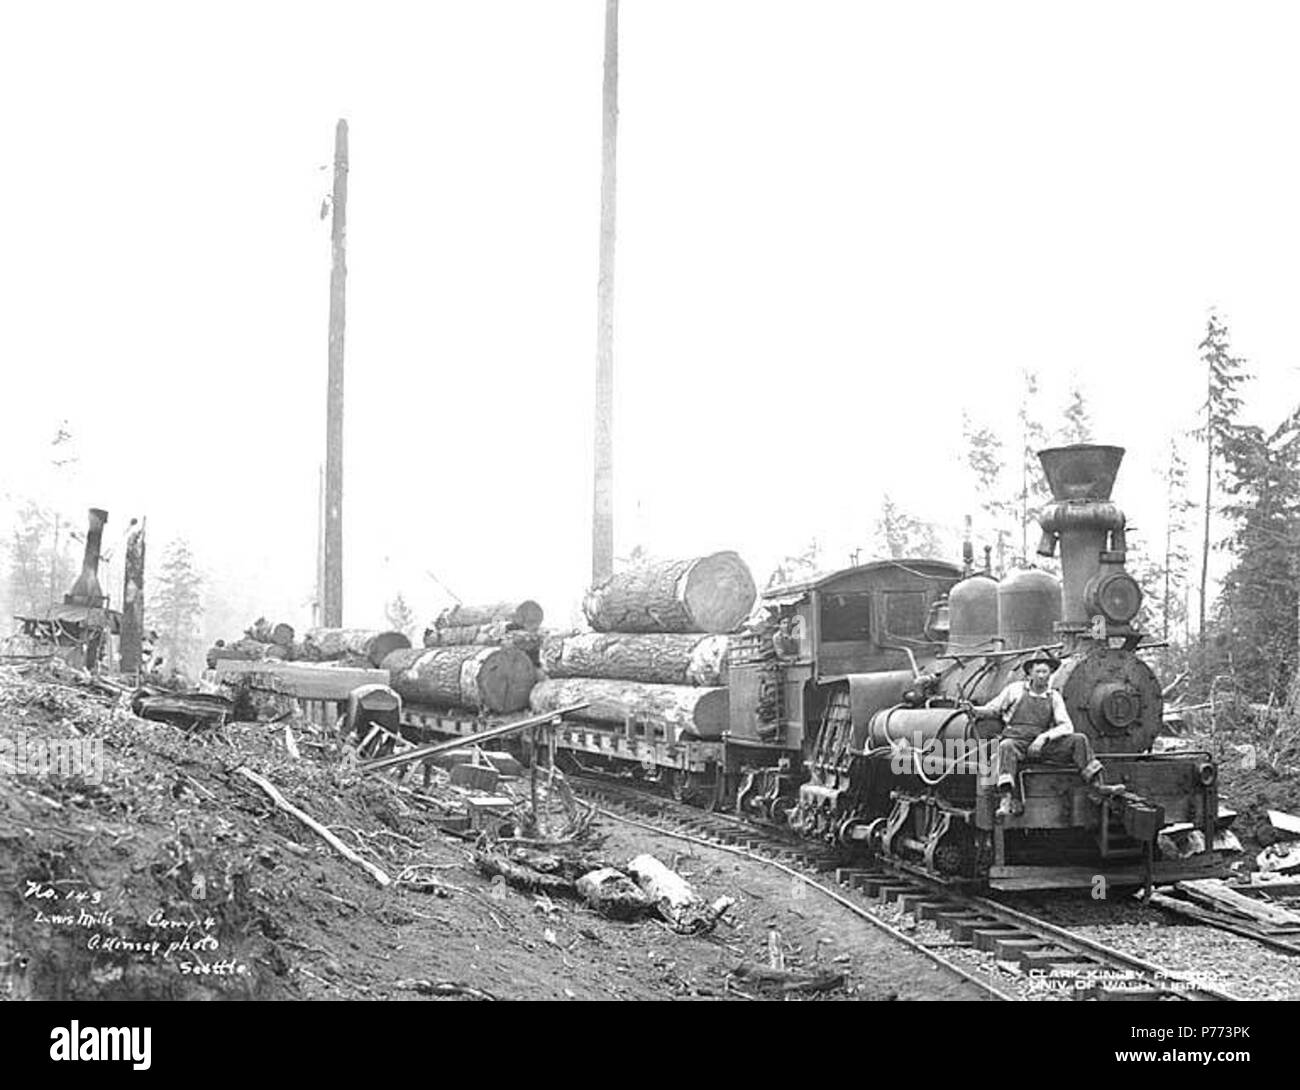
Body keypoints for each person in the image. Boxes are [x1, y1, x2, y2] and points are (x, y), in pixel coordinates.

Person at [960, 652, 1123, 819]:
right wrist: (974, 710)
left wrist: (1044, 738)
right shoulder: (1014, 690)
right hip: (1017, 742)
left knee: (1079, 739)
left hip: (1042, 745)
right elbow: (993, 709)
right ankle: (1006, 799)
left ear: (1050, 674)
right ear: (1030, 673)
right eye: (1038, 672)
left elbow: (1066, 726)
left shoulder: (1054, 697)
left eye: (1045, 672)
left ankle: (1097, 786)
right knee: (1005, 746)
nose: (1042, 676)